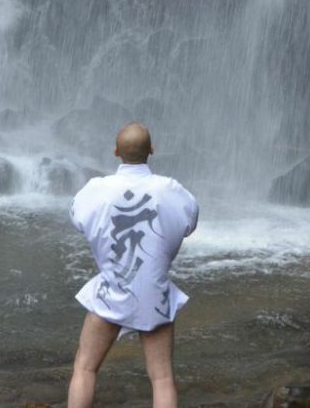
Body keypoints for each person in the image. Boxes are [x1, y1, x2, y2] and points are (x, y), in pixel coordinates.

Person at [67, 122, 199, 408]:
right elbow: (190, 223)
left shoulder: (96, 189)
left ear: (116, 152)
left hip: (112, 290)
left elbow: (77, 218)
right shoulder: (171, 190)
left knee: (85, 368)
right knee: (162, 378)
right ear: (151, 150)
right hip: (154, 294)